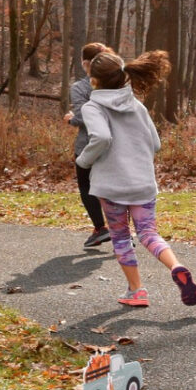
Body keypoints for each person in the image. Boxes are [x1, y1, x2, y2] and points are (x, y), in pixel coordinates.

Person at [76, 50, 196, 308]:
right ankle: (176, 265)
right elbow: (155, 143)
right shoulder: (137, 105)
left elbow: (101, 138)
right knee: (148, 233)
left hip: (112, 187)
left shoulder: (93, 107)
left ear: (93, 79)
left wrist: (83, 161)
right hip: (143, 184)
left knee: (121, 237)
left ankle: (137, 291)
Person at [65, 42, 113, 250]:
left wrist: (71, 119)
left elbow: (85, 116)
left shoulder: (80, 87)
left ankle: (100, 228)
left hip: (88, 144)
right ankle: (121, 231)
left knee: (87, 186)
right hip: (115, 143)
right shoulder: (116, 84)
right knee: (113, 189)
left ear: (85, 63)